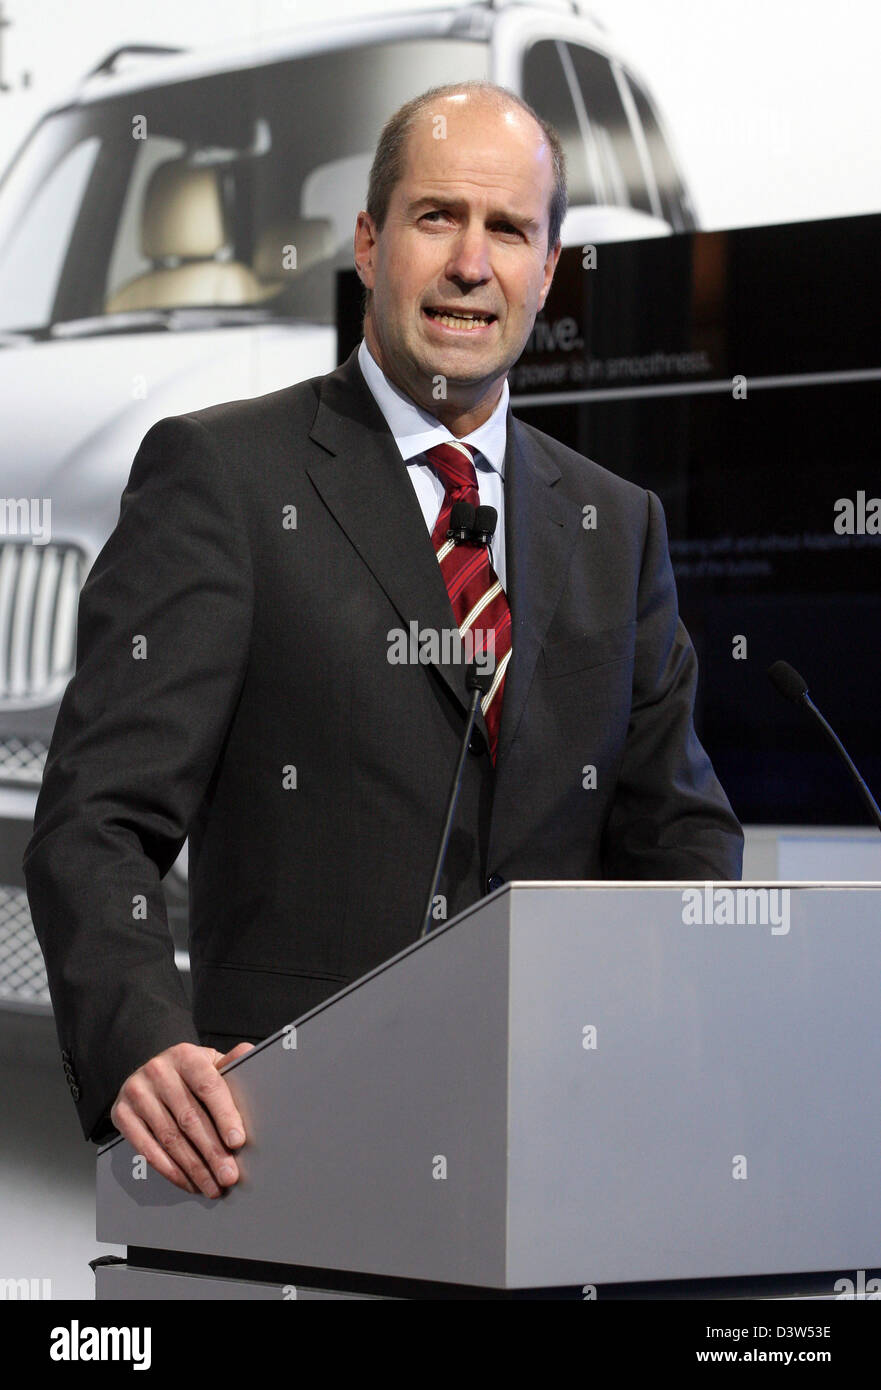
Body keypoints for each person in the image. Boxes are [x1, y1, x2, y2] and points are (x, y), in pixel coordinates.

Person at [23, 80, 743, 1202]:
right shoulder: (224, 479)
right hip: (284, 1145)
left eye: (507, 229)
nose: (470, 263)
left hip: (563, 1157)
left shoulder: (616, 523)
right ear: (368, 242)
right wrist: (137, 1039)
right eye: (434, 217)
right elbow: (96, 817)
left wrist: (662, 1037)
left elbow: (681, 836)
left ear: (546, 272)